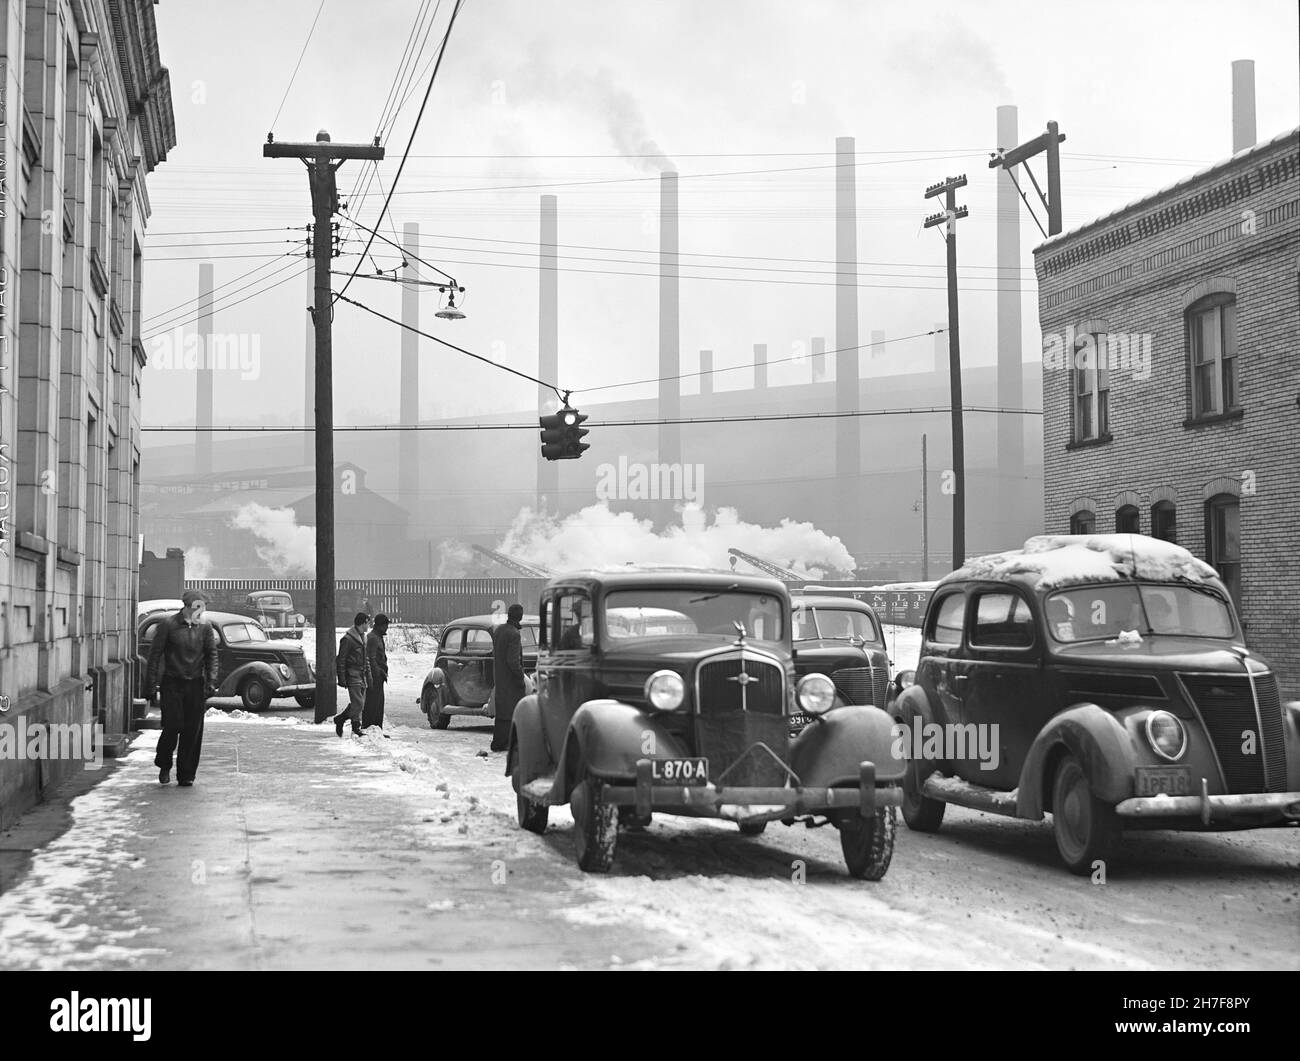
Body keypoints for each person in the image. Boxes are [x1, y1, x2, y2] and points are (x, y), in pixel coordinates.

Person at [147, 590, 219, 787]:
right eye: (197, 606)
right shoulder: (169, 625)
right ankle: (164, 763)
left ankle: (186, 774)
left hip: (195, 684)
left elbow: (211, 654)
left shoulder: (205, 627)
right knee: (172, 726)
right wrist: (151, 684)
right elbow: (155, 655)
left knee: (192, 731)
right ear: (187, 606)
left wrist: (211, 681)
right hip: (172, 683)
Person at [490, 604, 526, 753]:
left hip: (500, 676)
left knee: (503, 712)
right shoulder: (514, 634)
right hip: (511, 679)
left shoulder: (499, 630)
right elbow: (513, 661)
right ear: (520, 616)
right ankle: (507, 743)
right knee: (513, 710)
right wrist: (520, 676)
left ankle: (500, 742)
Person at [334, 612, 371, 737]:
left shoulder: (363, 638)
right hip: (352, 674)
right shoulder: (348, 639)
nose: (368, 626)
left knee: (361, 703)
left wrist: (369, 675)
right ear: (363, 623)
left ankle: (341, 719)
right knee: (358, 703)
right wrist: (342, 677)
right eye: (367, 623)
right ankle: (356, 727)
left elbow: (366, 659)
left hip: (362, 675)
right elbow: (341, 659)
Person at [363, 614, 390, 734]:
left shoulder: (376, 636)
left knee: (378, 704)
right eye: (385, 625)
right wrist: (377, 673)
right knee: (373, 704)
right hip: (374, 677)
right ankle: (370, 729)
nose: (387, 628)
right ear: (380, 625)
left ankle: (376, 730)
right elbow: (371, 658)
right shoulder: (373, 638)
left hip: (378, 676)